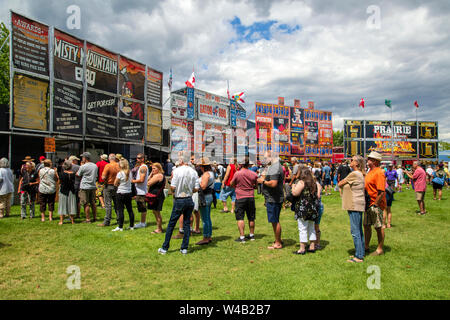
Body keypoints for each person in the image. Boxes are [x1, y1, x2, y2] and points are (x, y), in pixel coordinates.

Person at [158, 152, 199, 255]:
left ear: (181, 160)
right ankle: (184, 247)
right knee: (186, 224)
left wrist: (173, 190)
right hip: (189, 199)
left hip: (180, 198)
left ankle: (165, 247)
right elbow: (196, 188)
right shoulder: (193, 172)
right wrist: (190, 191)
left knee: (172, 223)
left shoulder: (177, 171)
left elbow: (173, 187)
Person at [339, 155, 366, 263]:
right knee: (358, 230)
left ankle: (359, 256)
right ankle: (360, 252)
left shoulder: (354, 174)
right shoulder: (359, 174)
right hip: (357, 204)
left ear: (357, 164)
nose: (350, 161)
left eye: (352, 160)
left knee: (355, 231)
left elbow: (340, 183)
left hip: (354, 204)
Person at [257, 150, 284, 250]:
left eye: (265, 158)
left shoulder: (274, 167)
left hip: (274, 198)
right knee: (274, 220)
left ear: (271, 157)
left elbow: (273, 183)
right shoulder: (273, 166)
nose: (264, 160)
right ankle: (278, 239)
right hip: (273, 197)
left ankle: (277, 243)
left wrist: (263, 181)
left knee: (274, 221)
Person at [291, 167, 321, 255]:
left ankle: (302, 248)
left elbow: (295, 193)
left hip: (303, 209)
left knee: (302, 228)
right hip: (313, 208)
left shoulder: (301, 182)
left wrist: (293, 187)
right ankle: (312, 246)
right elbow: (318, 196)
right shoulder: (315, 183)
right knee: (311, 228)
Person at [364, 151, 386, 256]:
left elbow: (381, 191)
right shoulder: (370, 171)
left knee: (378, 227)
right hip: (368, 203)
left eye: (369, 159)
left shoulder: (379, 172)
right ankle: (366, 246)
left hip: (374, 204)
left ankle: (380, 249)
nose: (367, 160)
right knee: (366, 225)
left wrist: (375, 204)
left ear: (374, 161)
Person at [230, 157, 258, 243]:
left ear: (241, 164)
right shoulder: (253, 174)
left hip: (240, 197)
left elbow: (231, 183)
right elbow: (256, 186)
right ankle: (252, 235)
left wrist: (237, 186)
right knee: (251, 217)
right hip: (250, 197)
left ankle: (242, 237)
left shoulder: (238, 173)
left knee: (240, 217)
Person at [195, 158, 215, 245]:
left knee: (205, 219)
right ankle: (208, 236)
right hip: (209, 196)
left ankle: (206, 237)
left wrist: (196, 183)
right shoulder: (211, 173)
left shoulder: (206, 174)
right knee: (207, 217)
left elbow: (203, 186)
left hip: (205, 196)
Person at [112, 158, 135, 231]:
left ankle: (120, 226)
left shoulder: (120, 173)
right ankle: (131, 226)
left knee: (120, 210)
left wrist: (119, 184)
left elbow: (115, 183)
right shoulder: (130, 172)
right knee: (130, 210)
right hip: (128, 192)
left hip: (121, 192)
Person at [98, 154, 120, 227]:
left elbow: (103, 177)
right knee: (117, 204)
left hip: (109, 185)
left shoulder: (108, 166)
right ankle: (119, 219)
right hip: (116, 186)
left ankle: (107, 221)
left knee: (108, 204)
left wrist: (103, 177)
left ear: (109, 159)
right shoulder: (118, 165)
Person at [76, 152, 98, 223]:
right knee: (93, 203)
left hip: (85, 186)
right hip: (93, 185)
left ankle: (88, 219)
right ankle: (95, 217)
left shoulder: (83, 166)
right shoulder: (95, 166)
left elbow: (78, 174)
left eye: (83, 157)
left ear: (85, 158)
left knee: (86, 203)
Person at [146, 162, 166, 234]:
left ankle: (159, 229)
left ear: (159, 168)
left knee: (157, 212)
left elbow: (148, 183)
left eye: (154, 168)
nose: (153, 170)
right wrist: (151, 173)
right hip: (154, 195)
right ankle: (159, 228)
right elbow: (148, 180)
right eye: (152, 169)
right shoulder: (156, 175)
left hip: (157, 196)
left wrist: (152, 175)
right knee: (155, 212)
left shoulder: (159, 175)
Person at [132, 153, 149, 229]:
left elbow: (141, 180)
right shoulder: (141, 167)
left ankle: (143, 223)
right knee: (141, 207)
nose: (137, 159)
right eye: (137, 158)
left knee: (142, 208)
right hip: (140, 190)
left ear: (143, 159)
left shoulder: (143, 168)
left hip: (141, 191)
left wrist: (132, 181)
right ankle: (142, 222)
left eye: (139, 158)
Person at [58, 160, 77, 225]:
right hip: (71, 191)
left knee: (62, 206)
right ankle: (72, 221)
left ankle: (61, 221)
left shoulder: (61, 174)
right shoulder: (73, 174)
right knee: (72, 205)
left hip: (63, 191)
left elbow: (59, 182)